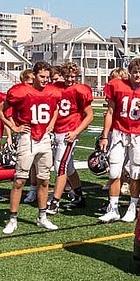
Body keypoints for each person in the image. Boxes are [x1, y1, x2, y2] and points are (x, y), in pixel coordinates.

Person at [0, 63, 61, 234]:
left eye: (47, 77)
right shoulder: (21, 91)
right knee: (19, 180)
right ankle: (12, 219)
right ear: (33, 75)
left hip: (45, 138)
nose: (45, 80)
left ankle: (42, 217)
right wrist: (14, 127)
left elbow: (55, 109)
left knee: (44, 180)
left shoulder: (53, 91)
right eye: (42, 77)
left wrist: (52, 124)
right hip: (27, 137)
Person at [98, 58, 140, 223]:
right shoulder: (118, 85)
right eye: (135, 72)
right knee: (114, 171)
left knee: (135, 172)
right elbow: (110, 112)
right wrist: (104, 135)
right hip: (119, 132)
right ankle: (112, 208)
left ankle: (132, 206)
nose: (137, 75)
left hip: (138, 133)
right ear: (130, 71)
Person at [49, 62, 94, 214]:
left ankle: (55, 202)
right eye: (67, 76)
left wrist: (76, 132)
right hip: (56, 131)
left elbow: (90, 116)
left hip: (69, 132)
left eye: (73, 76)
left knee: (60, 167)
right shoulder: (56, 87)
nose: (70, 79)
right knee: (68, 168)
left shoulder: (80, 90)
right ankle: (79, 197)